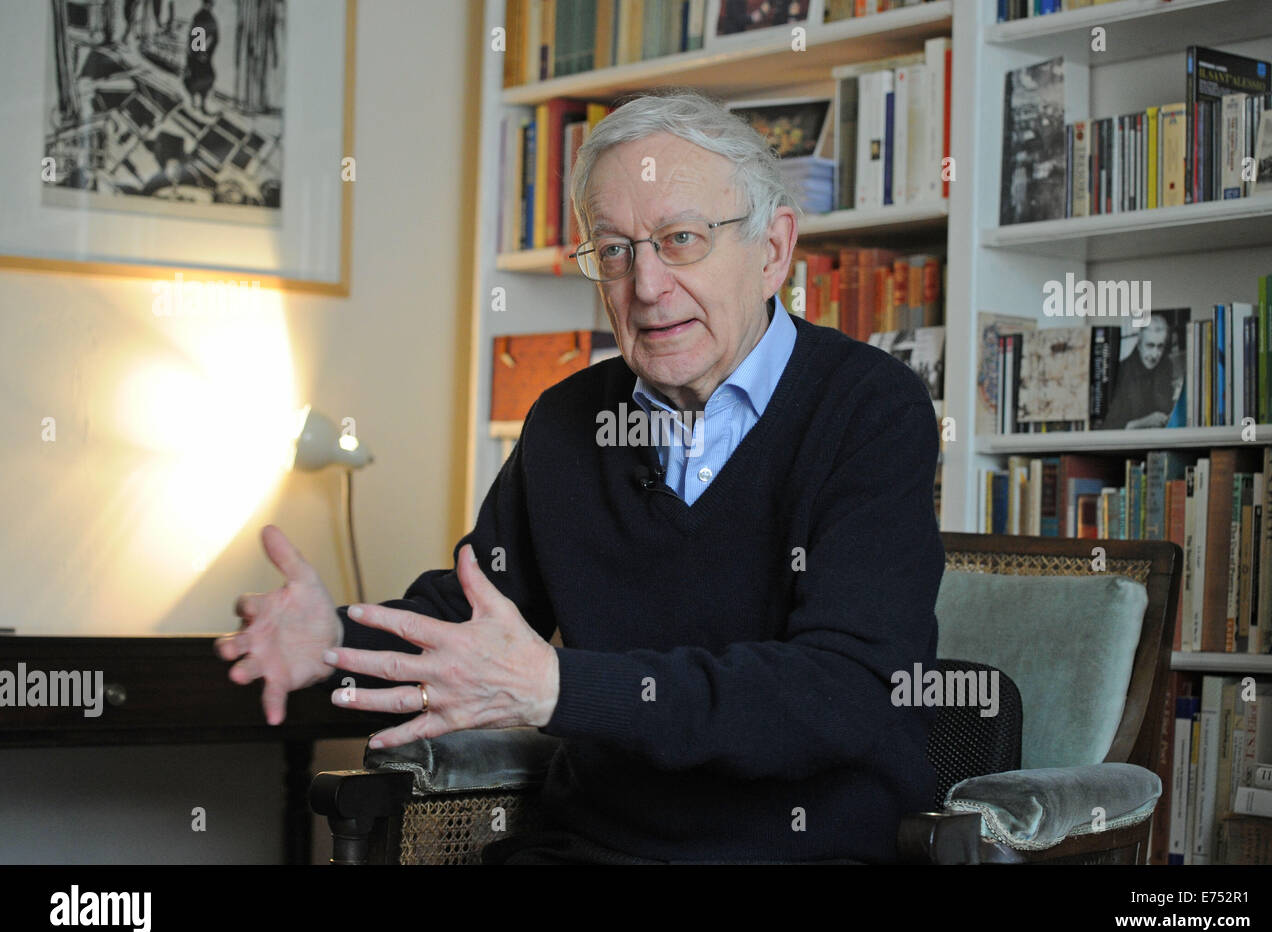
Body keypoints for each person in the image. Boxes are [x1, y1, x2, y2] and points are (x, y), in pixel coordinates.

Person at [216, 90, 944, 864]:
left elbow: (844, 691)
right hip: (591, 848)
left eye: (682, 239)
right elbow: (473, 610)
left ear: (772, 249)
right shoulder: (568, 422)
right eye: (617, 251)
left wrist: (562, 687)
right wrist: (334, 635)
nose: (648, 287)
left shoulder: (869, 408)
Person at [1101, 314, 1177, 429]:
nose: (1155, 354)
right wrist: (1145, 422)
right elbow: (1107, 427)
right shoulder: (1122, 371)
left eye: (1160, 346)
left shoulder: (1166, 366)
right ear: (1139, 344)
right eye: (1150, 345)